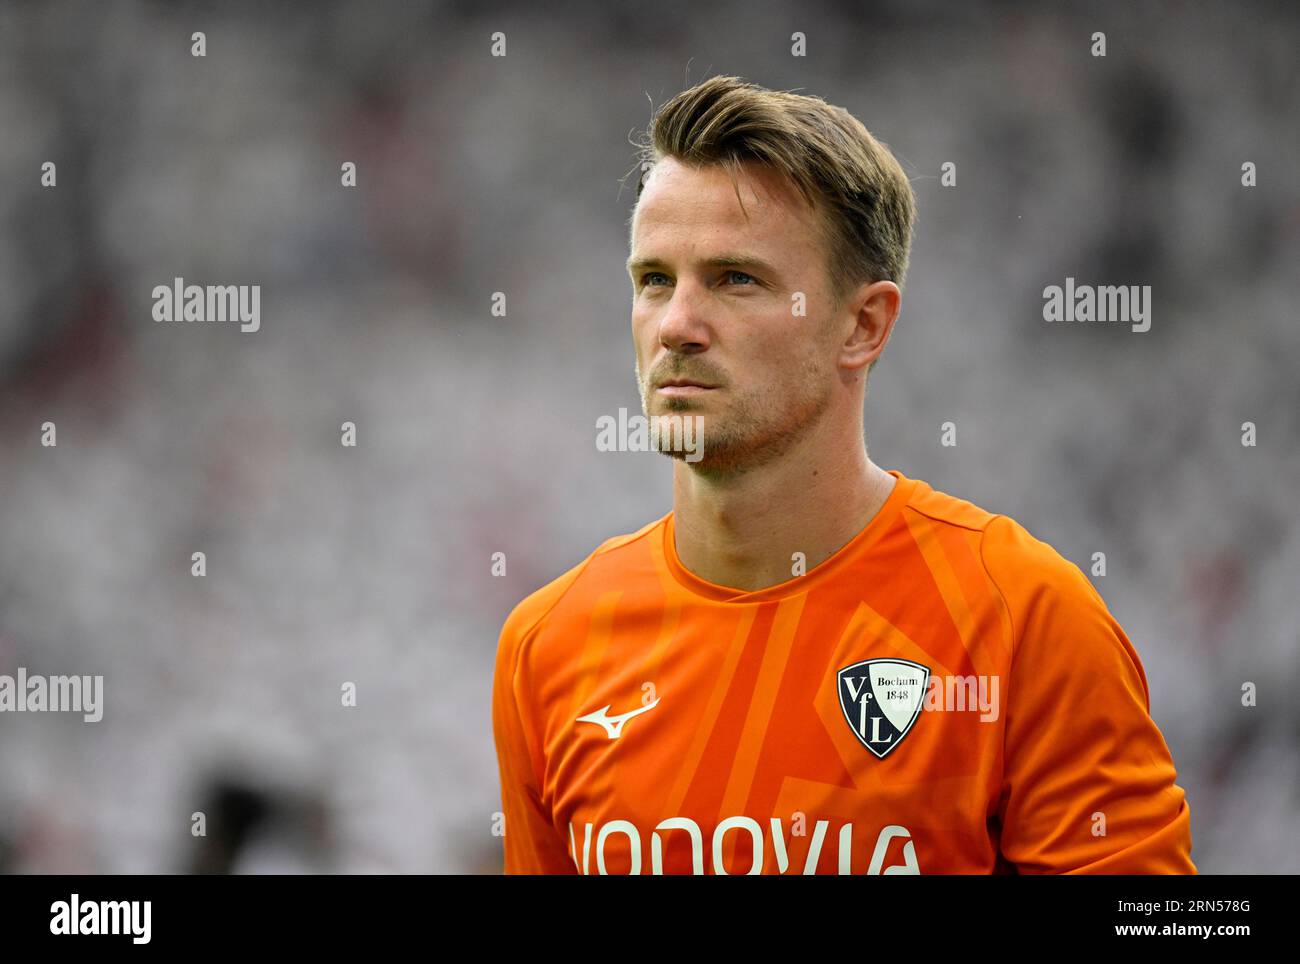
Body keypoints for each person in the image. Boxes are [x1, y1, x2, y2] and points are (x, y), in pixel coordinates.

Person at [492, 75, 1194, 874]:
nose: (677, 325)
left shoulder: (1023, 622)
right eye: (655, 279)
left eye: (735, 279)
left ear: (863, 325)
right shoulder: (550, 647)